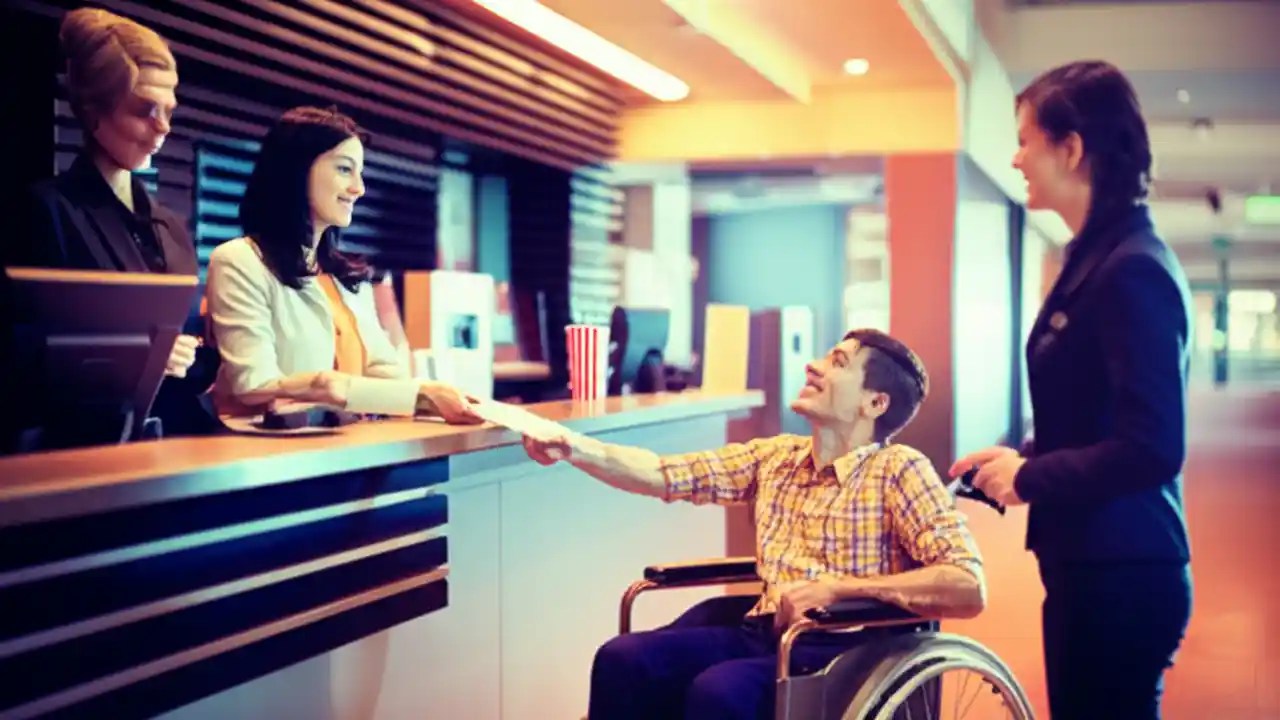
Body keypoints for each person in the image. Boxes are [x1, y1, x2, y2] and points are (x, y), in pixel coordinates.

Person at [523, 328, 985, 720]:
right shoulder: (777, 457)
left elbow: (967, 585)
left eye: (838, 363)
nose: (813, 367)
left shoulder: (900, 470)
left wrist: (841, 589)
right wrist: (574, 447)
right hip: (766, 631)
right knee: (623, 660)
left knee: (720, 692)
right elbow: (664, 473)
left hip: (848, 648)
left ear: (875, 402)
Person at [950, 60, 1193, 720]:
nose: (1017, 156)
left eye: (1026, 138)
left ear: (1073, 148)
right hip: (1097, 564)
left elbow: (1151, 447)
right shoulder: (1100, 255)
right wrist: (1014, 458)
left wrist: (1030, 477)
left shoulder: (1131, 269)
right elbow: (1094, 414)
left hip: (1122, 571)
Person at [7, 7, 214, 444]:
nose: (163, 127)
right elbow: (16, 356)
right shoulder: (47, 211)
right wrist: (141, 356)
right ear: (91, 108)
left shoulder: (171, 227)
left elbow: (191, 357)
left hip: (172, 449)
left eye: (169, 111)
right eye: (144, 110)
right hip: (80, 453)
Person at [205, 106, 479, 423]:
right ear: (298, 168)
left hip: (347, 449)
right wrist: (328, 386)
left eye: (359, 173)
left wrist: (434, 395)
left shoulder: (348, 277)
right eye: (345, 170)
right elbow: (253, 384)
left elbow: (385, 375)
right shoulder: (239, 261)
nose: (358, 188)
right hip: (263, 456)